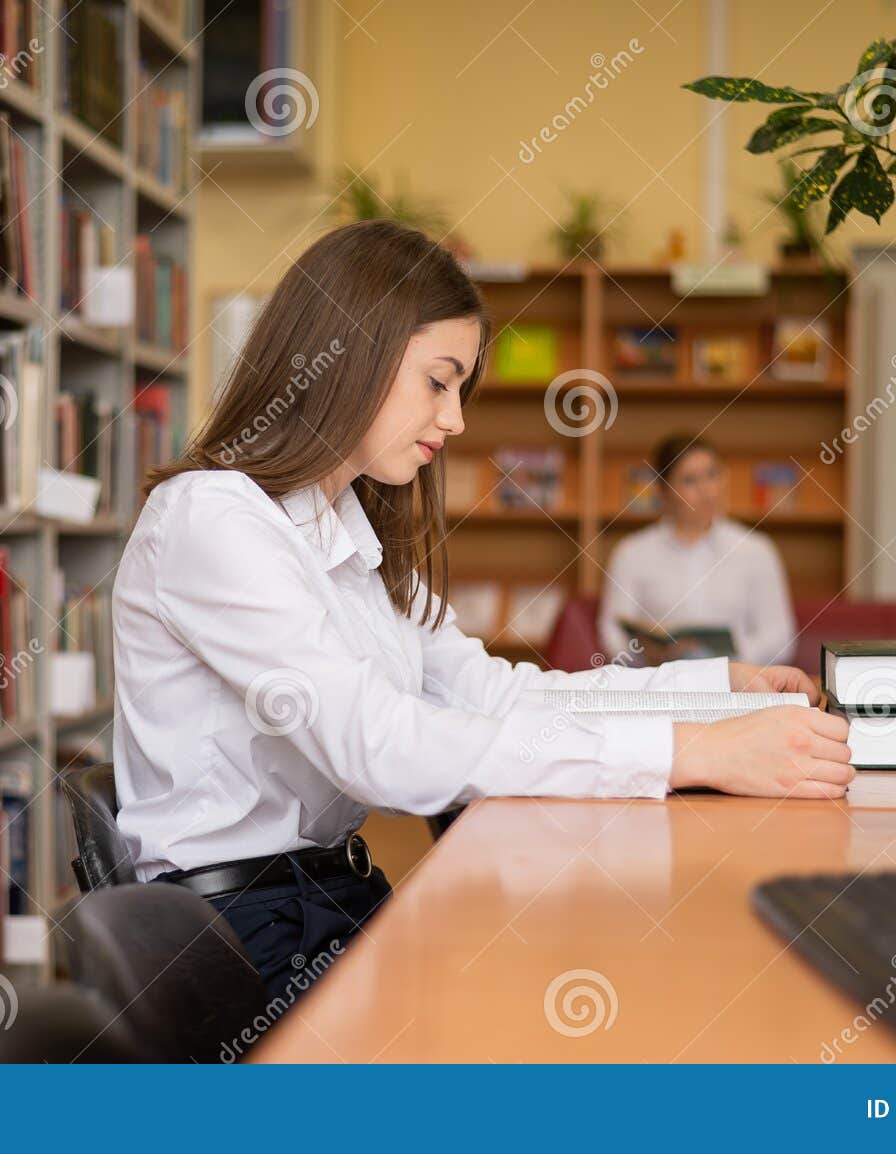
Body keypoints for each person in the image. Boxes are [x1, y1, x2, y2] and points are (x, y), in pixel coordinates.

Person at [111, 221, 852, 1008]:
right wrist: (694, 753)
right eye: (439, 380)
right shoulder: (213, 519)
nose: (456, 418)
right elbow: (382, 749)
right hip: (239, 939)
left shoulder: (353, 539)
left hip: (330, 901)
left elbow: (498, 696)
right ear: (349, 352)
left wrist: (709, 695)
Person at [599, 434, 797, 667]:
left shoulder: (756, 549)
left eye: (712, 475)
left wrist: (724, 663)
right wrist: (645, 655)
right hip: (660, 683)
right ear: (664, 491)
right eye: (690, 480)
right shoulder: (631, 553)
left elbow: (780, 637)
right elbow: (612, 631)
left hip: (737, 685)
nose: (707, 491)